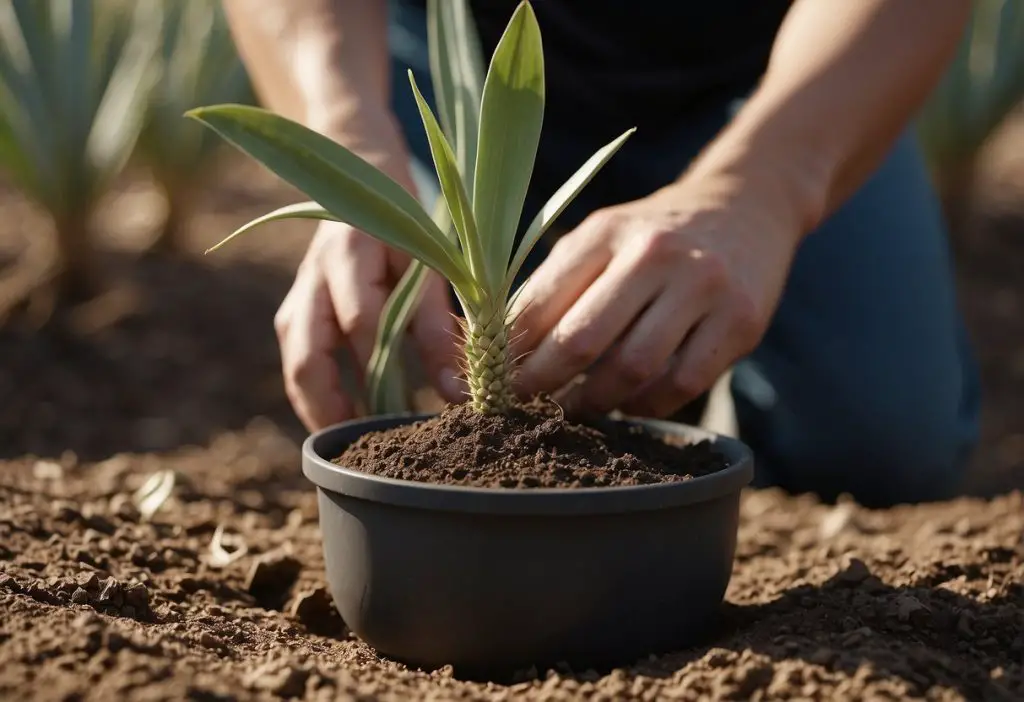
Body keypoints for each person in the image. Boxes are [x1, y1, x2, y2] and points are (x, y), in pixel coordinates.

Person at [223, 0, 981, 508]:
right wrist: (347, 138)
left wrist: (765, 191)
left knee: (879, 442)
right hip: (445, 65)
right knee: (394, 293)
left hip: (776, 74)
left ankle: (696, 381)